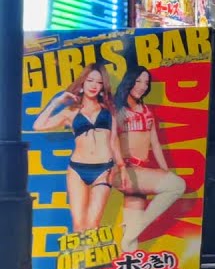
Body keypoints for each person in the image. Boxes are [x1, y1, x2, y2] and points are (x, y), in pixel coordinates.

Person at [33, 63, 128, 233]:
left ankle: (93, 258)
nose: (93, 85)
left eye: (98, 82)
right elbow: (38, 126)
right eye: (89, 80)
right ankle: (81, 259)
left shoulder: (109, 110)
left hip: (103, 170)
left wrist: (122, 167)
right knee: (79, 226)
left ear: (102, 87)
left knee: (92, 225)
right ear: (82, 84)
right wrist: (56, 102)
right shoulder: (70, 112)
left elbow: (113, 141)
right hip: (77, 170)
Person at [114, 66, 188, 251]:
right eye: (138, 81)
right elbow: (111, 141)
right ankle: (135, 230)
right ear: (129, 82)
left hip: (141, 173)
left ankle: (128, 268)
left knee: (130, 242)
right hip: (126, 171)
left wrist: (165, 170)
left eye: (146, 82)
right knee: (177, 185)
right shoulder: (118, 111)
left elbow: (155, 144)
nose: (142, 86)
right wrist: (121, 167)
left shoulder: (147, 110)